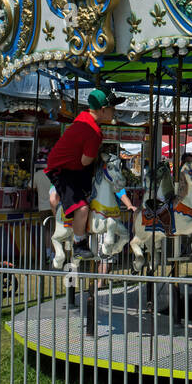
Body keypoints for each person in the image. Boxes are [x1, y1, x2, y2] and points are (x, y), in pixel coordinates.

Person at [45, 88, 122, 260]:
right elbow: (85, 161)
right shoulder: (93, 132)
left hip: (72, 167)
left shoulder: (84, 117)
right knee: (82, 207)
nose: (114, 112)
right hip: (64, 170)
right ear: (102, 110)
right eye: (112, 108)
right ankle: (79, 243)